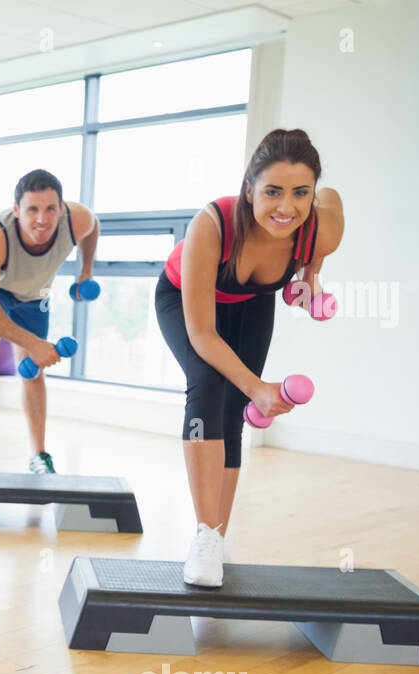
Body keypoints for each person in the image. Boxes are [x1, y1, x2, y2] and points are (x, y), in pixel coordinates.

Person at [155, 128, 343, 587]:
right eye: (272, 192)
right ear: (249, 190)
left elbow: (335, 200)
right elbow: (201, 334)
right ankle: (203, 534)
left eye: (301, 193)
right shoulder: (212, 224)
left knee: (235, 414)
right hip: (186, 301)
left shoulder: (322, 229)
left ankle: (217, 536)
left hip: (251, 301)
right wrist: (258, 388)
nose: (286, 207)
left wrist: (310, 273)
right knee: (210, 387)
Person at [0, 169, 98, 484]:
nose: (42, 219)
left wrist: (85, 271)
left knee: (33, 369)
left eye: (50, 209)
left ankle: (38, 455)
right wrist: (33, 343)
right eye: (32, 209)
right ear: (17, 210)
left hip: (34, 294)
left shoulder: (78, 219)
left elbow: (93, 226)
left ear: (61, 209)